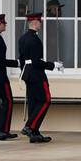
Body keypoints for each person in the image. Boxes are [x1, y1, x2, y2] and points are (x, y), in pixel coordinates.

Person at [17, 13, 60, 142]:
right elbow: (36, 62)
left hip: (28, 73)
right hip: (36, 73)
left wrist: (24, 72)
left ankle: (34, 134)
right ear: (35, 23)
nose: (41, 24)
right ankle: (30, 126)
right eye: (39, 22)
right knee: (45, 100)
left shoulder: (23, 38)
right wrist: (53, 65)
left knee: (33, 103)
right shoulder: (34, 39)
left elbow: (22, 59)